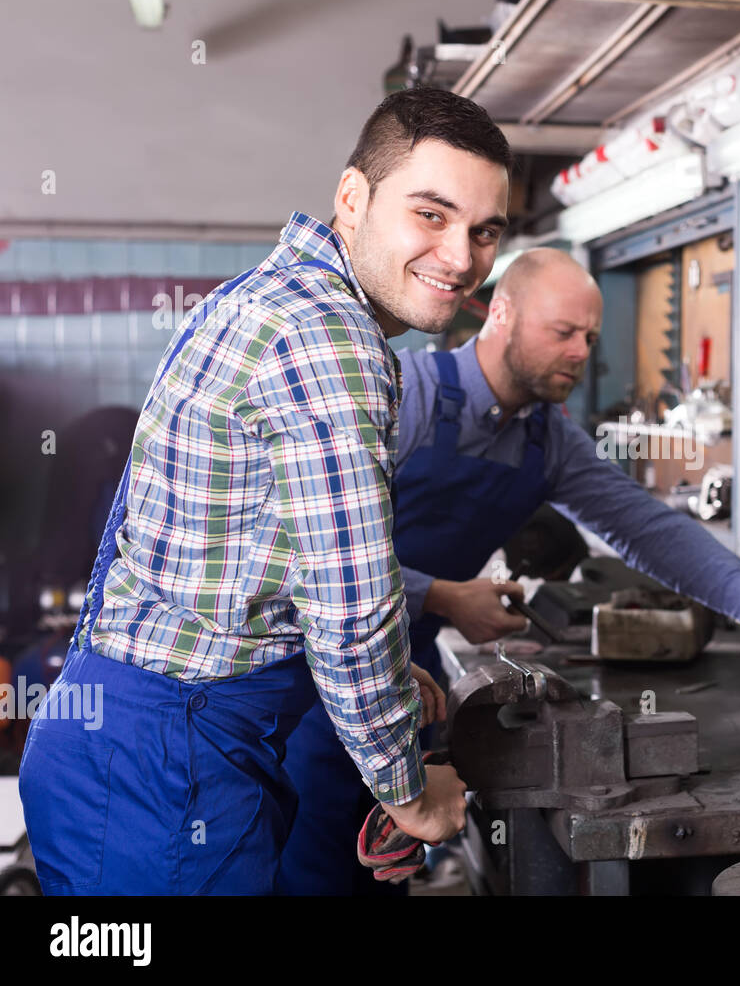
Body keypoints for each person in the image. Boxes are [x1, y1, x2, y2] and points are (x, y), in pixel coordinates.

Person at [18, 88, 509, 894]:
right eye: (431, 214)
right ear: (353, 198)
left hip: (124, 747)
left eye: (484, 230)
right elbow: (352, 609)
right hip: (169, 766)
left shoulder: (268, 297)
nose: (460, 255)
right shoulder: (330, 341)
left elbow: (268, 564)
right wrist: (411, 793)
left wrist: (383, 683)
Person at [274, 248, 740, 895]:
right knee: (310, 870)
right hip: (309, 682)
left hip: (411, 677)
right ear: (502, 314)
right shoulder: (403, 394)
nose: (581, 351)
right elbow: (296, 551)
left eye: (591, 337)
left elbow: (647, 529)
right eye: (563, 332)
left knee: (386, 874)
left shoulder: (547, 441)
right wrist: (442, 595)